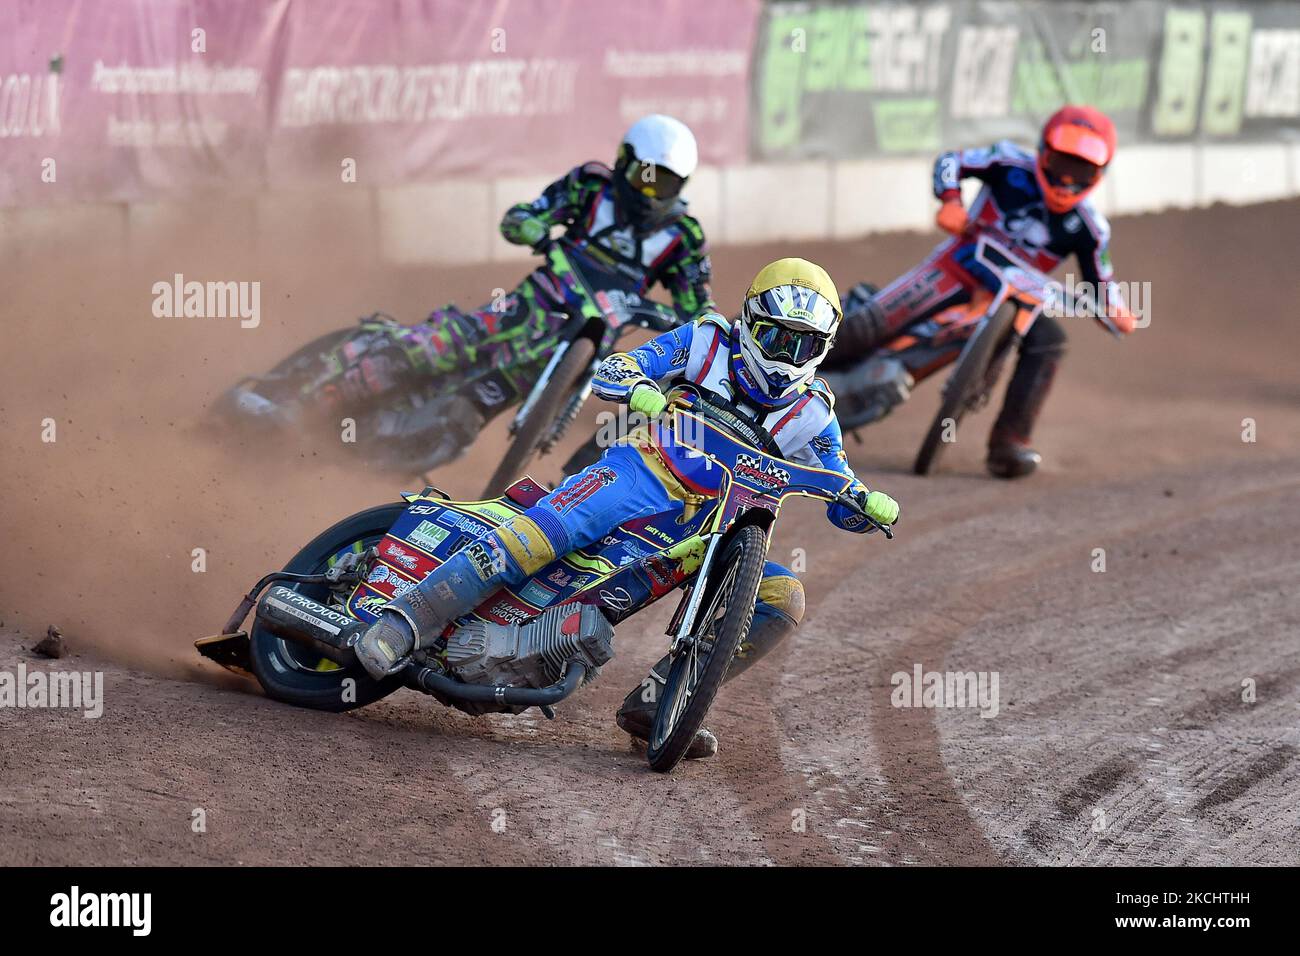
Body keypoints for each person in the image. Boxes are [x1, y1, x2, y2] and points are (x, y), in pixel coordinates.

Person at [354, 258, 900, 760]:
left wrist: (866, 507)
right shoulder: (707, 340)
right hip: (641, 473)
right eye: (775, 335)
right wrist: (639, 387)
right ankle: (408, 619)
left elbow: (839, 494)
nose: (785, 355)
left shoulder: (815, 413)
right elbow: (619, 367)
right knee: (554, 526)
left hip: (716, 529)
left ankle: (659, 703)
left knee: (783, 597)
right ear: (749, 319)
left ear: (824, 347)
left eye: (802, 345)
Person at [322, 114, 716, 412]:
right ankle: (316, 399)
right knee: (435, 349)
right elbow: (521, 216)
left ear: (681, 185)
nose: (650, 194)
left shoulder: (684, 237)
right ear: (623, 161)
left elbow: (697, 312)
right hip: (530, 305)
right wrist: (532, 227)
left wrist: (714, 336)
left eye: (662, 184)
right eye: (643, 178)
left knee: (464, 417)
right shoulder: (592, 185)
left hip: (587, 343)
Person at [827, 105, 1137, 478]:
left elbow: (1100, 278)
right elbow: (950, 161)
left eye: (1082, 170)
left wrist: (1116, 310)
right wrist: (951, 201)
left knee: (1050, 342)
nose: (1068, 178)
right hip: (956, 267)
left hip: (1012, 300)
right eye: (1061, 163)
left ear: (1099, 174)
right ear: (1042, 151)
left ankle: (1009, 444)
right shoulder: (1008, 162)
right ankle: (763, 361)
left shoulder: (1090, 228)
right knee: (865, 327)